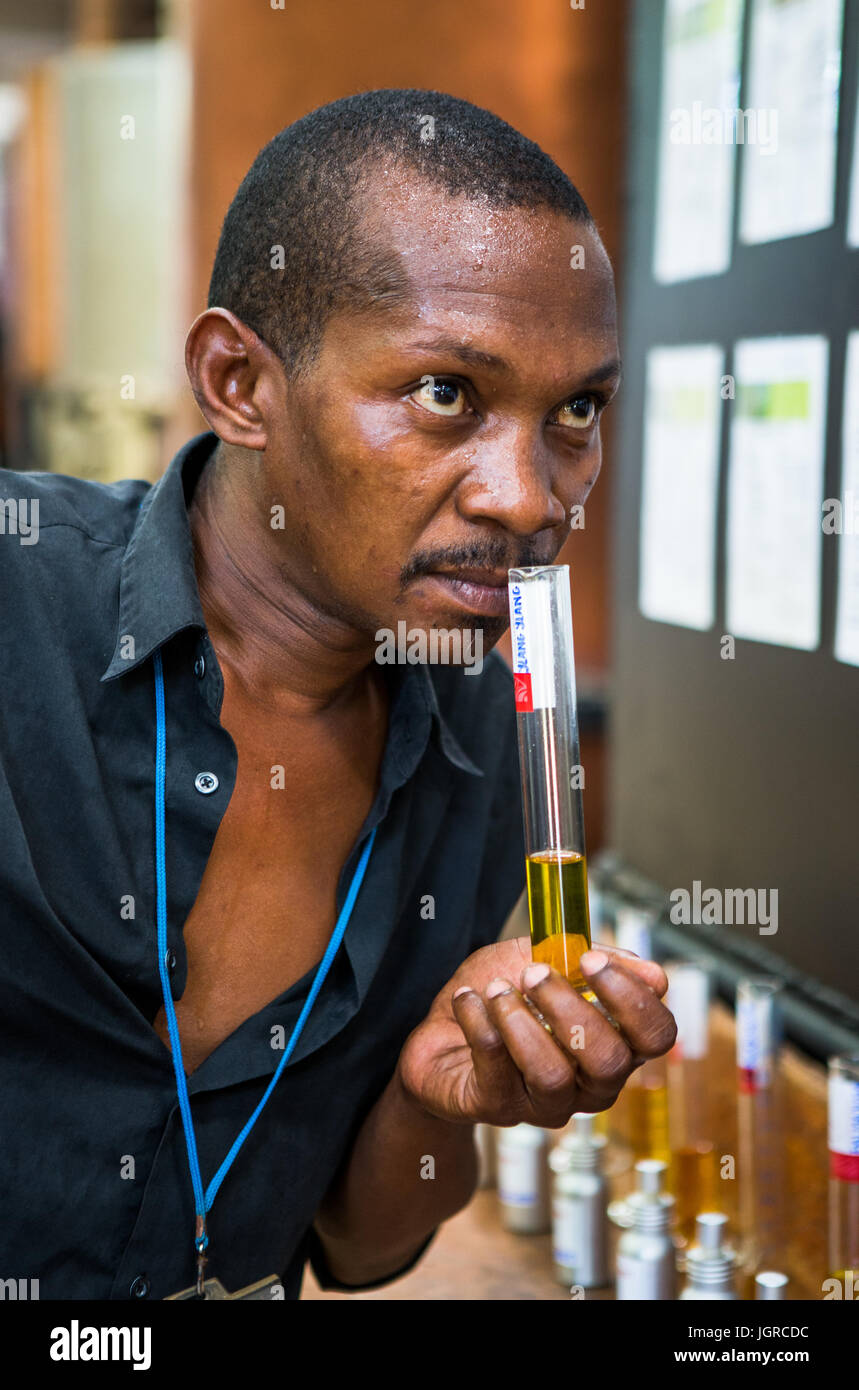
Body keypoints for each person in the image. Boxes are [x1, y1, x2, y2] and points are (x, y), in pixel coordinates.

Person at [0, 89, 674, 1300]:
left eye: (576, 409)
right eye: (444, 394)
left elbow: (360, 1249)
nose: (530, 499)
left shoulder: (497, 739)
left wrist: (436, 1098)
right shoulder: (19, 606)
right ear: (238, 380)